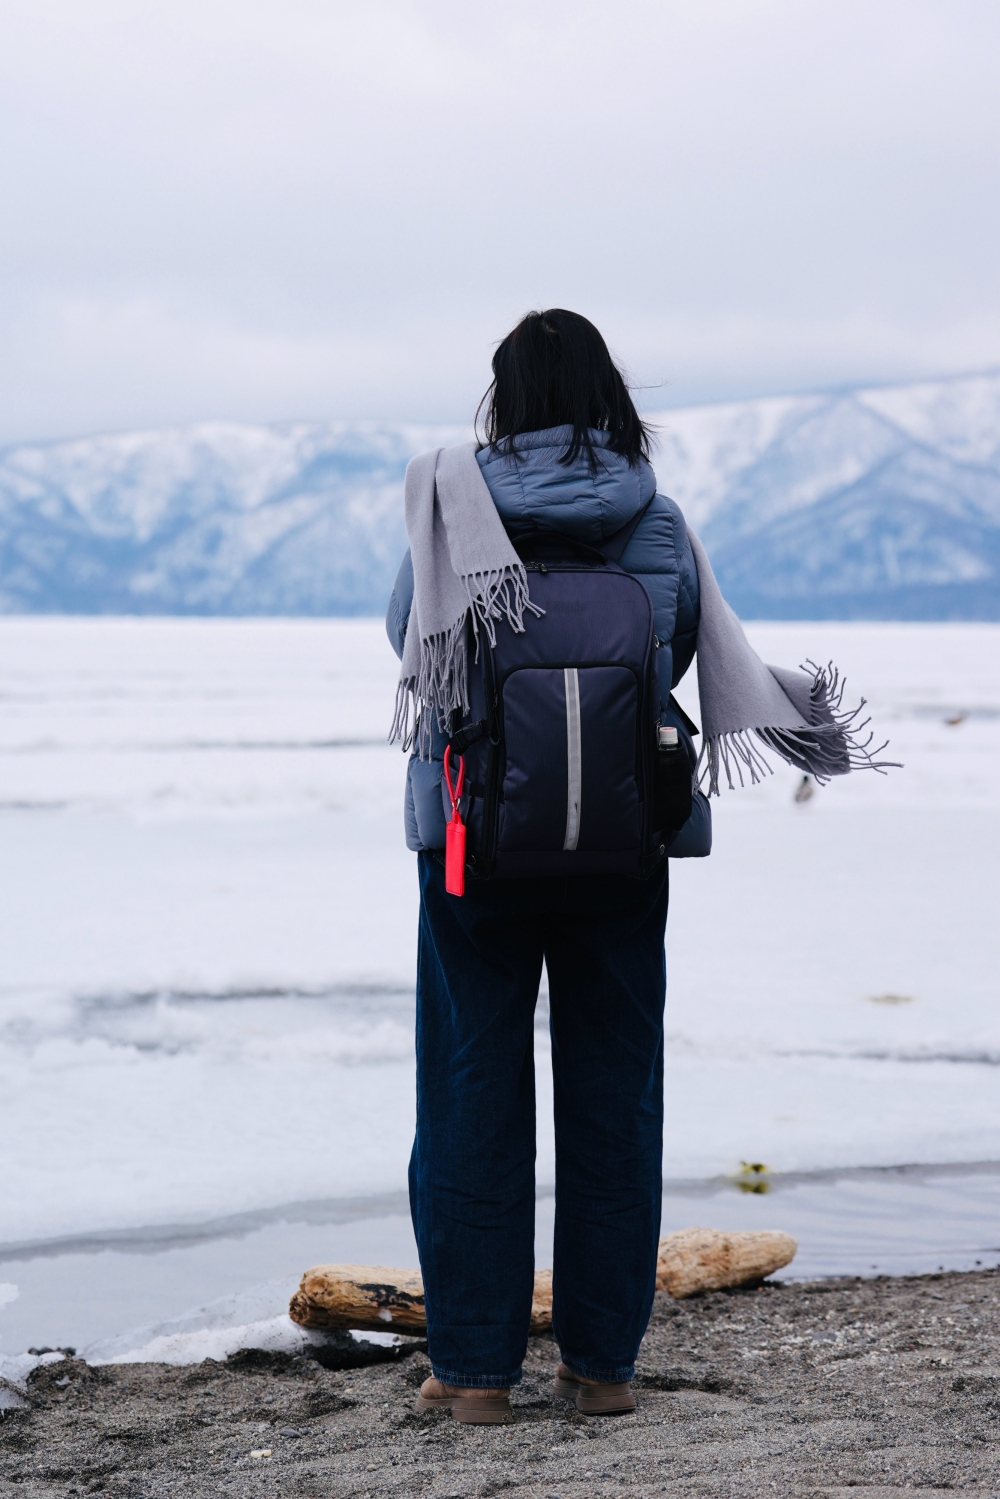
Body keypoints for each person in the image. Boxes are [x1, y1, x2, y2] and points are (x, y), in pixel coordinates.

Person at [385, 309, 707, 1423]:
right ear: (610, 397)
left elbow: (406, 639)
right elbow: (681, 647)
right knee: (614, 1096)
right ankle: (601, 1366)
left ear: (502, 403)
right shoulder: (653, 518)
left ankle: (471, 1373)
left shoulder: (450, 505)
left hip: (477, 841)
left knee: (472, 1086)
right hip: (622, 843)